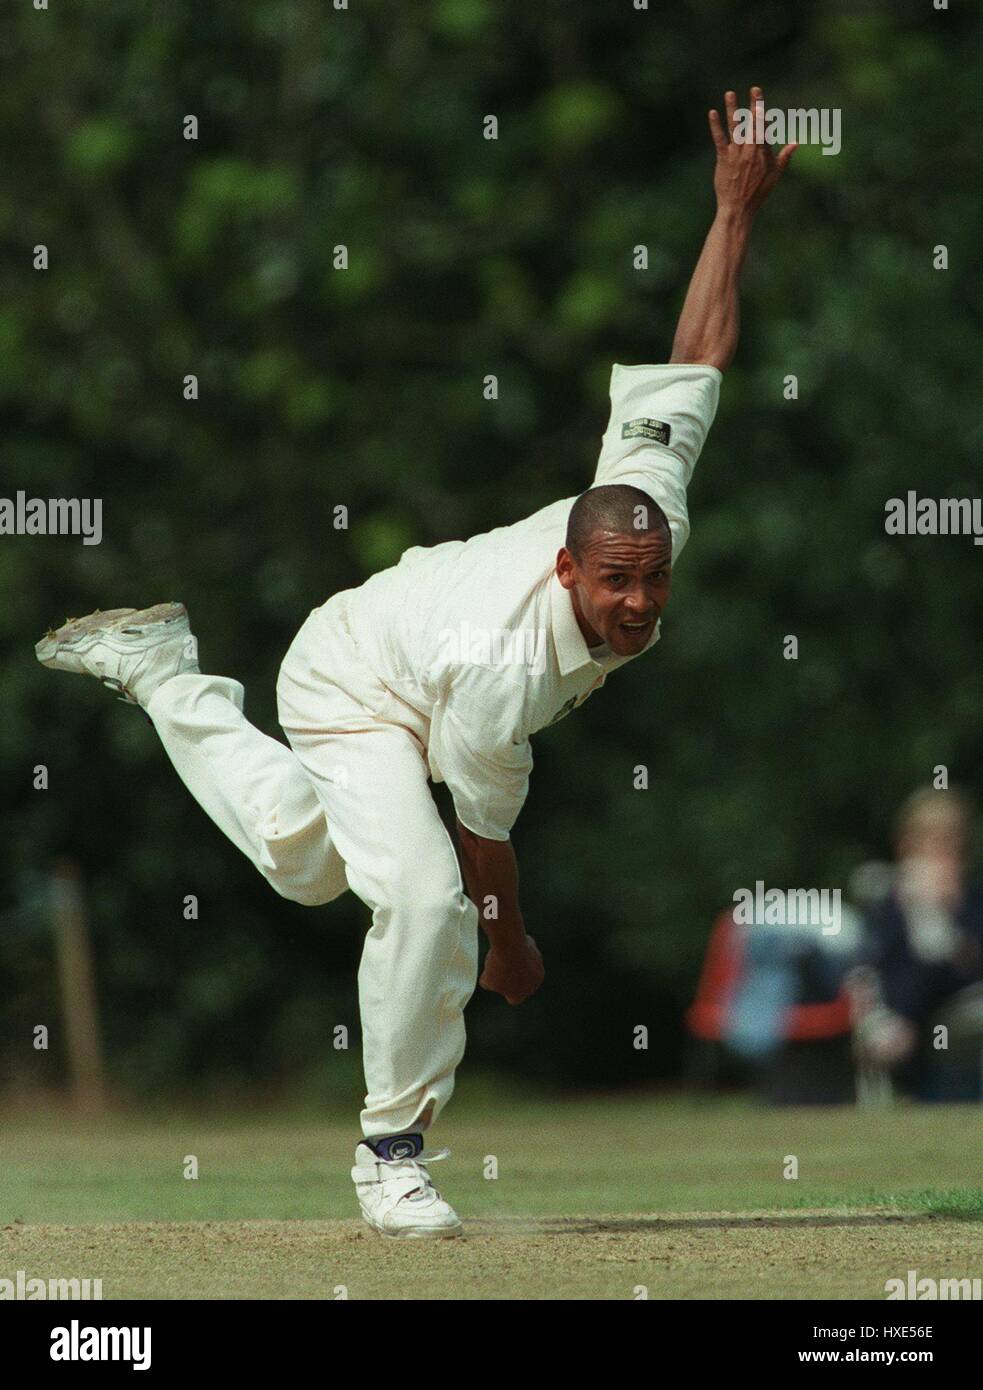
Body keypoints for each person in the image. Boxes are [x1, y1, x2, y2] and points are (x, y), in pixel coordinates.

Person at [35, 89, 794, 1237]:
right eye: (614, 583)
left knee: (307, 864)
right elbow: (481, 841)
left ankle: (159, 672)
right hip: (351, 672)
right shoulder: (510, 668)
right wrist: (512, 946)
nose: (638, 600)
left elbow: (693, 361)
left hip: (402, 643)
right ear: (563, 571)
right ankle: (392, 1152)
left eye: (649, 579)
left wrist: (731, 209)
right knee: (429, 899)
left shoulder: (649, 508)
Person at [855, 787, 983, 1099]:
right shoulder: (889, 908)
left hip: (953, 1012)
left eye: (948, 841)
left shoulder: (972, 902)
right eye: (927, 840)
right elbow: (877, 967)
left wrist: (942, 917)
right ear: (905, 846)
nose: (937, 851)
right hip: (903, 1015)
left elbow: (970, 968)